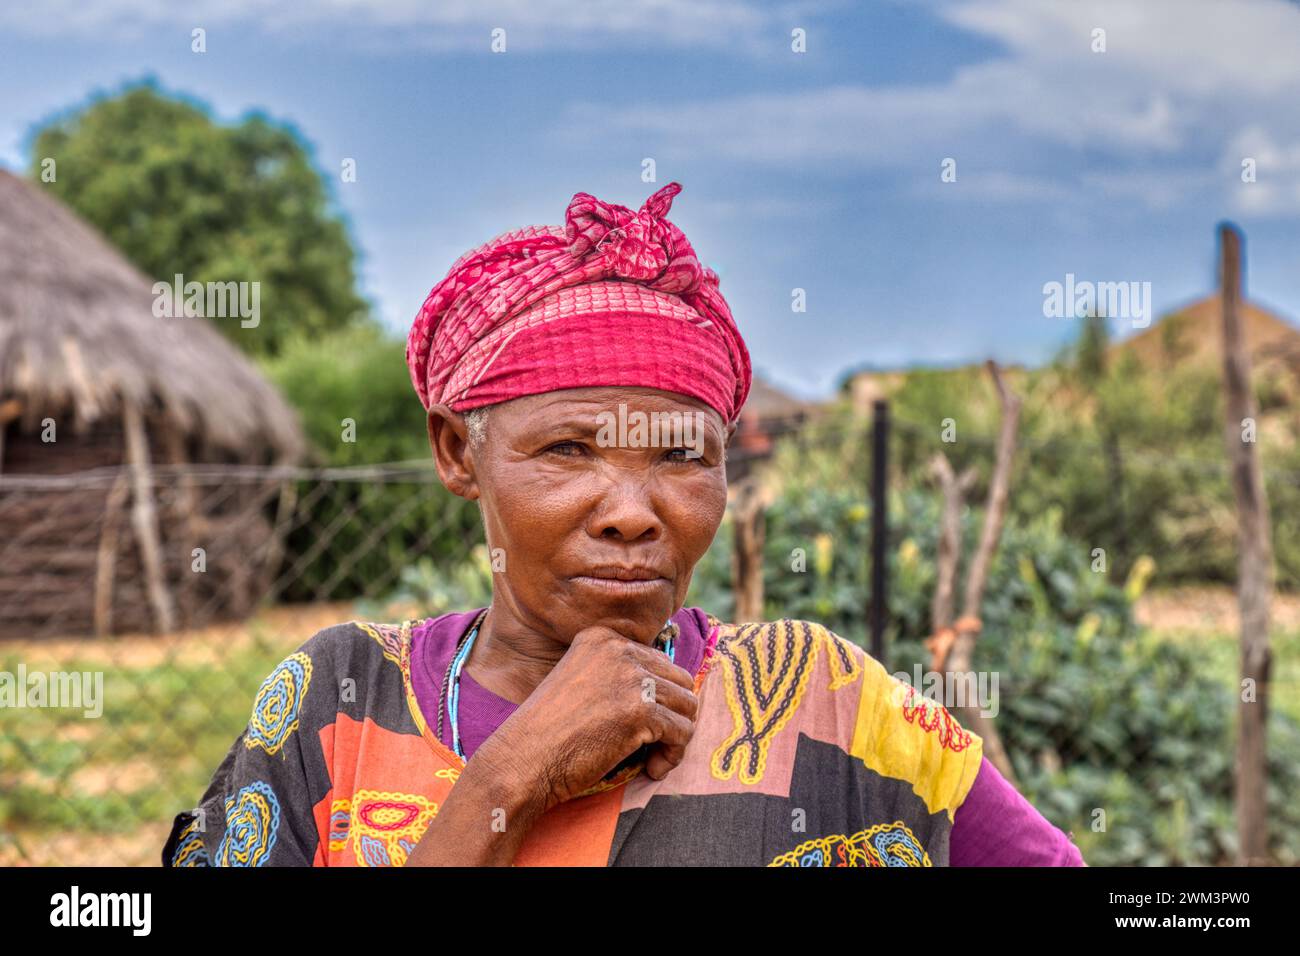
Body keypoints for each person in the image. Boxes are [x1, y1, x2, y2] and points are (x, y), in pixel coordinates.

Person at [163, 182, 1084, 867]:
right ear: (457, 453)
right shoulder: (341, 700)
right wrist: (507, 780)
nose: (633, 515)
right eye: (567, 449)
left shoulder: (825, 702)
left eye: (683, 456)